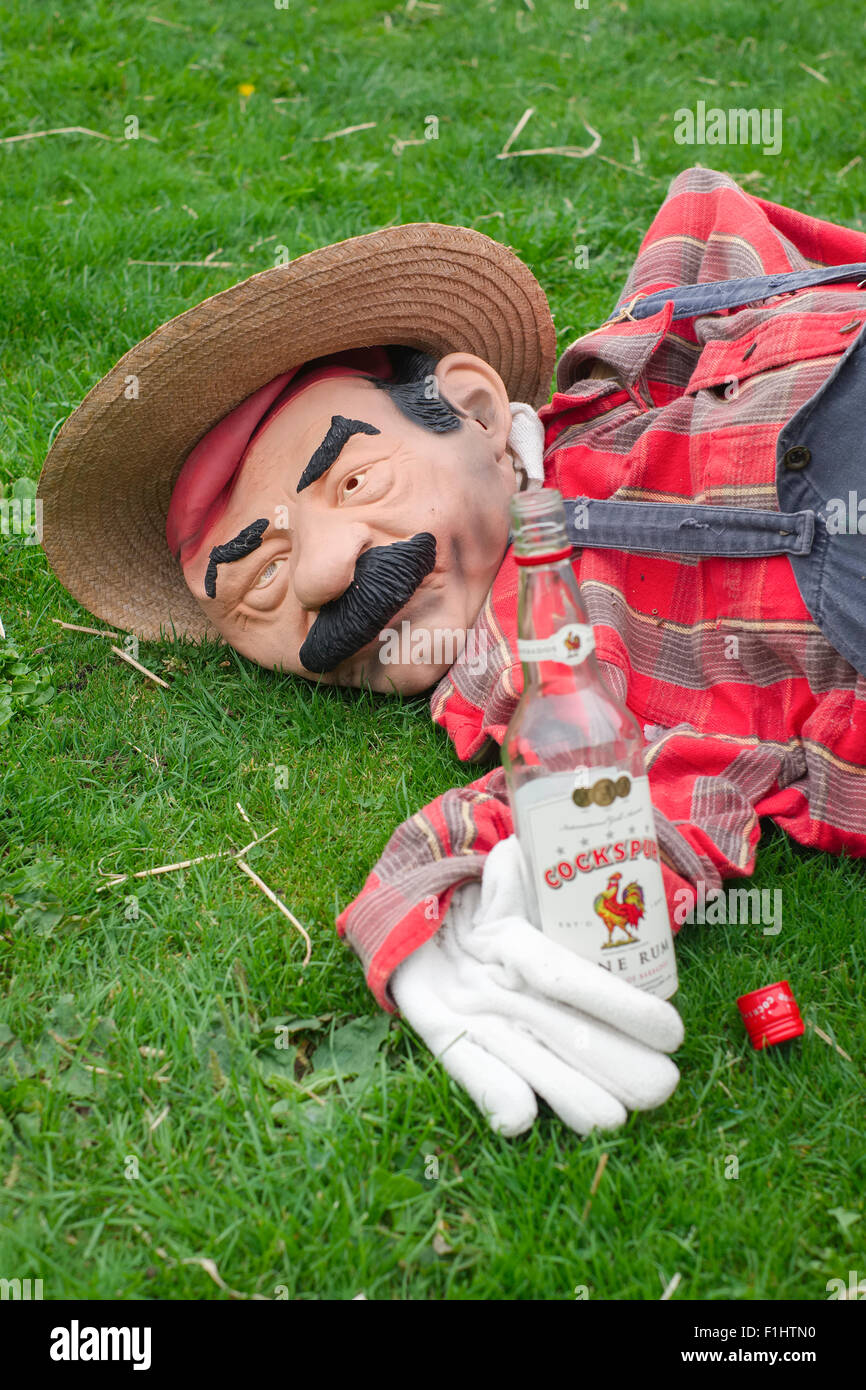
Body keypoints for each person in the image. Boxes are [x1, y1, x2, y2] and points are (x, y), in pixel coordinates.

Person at [38, 167, 866, 1135]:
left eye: (352, 481)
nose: (322, 573)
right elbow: (597, 798)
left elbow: (715, 221)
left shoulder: (671, 333)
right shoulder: (553, 690)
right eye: (258, 582)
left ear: (474, 408)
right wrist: (438, 908)